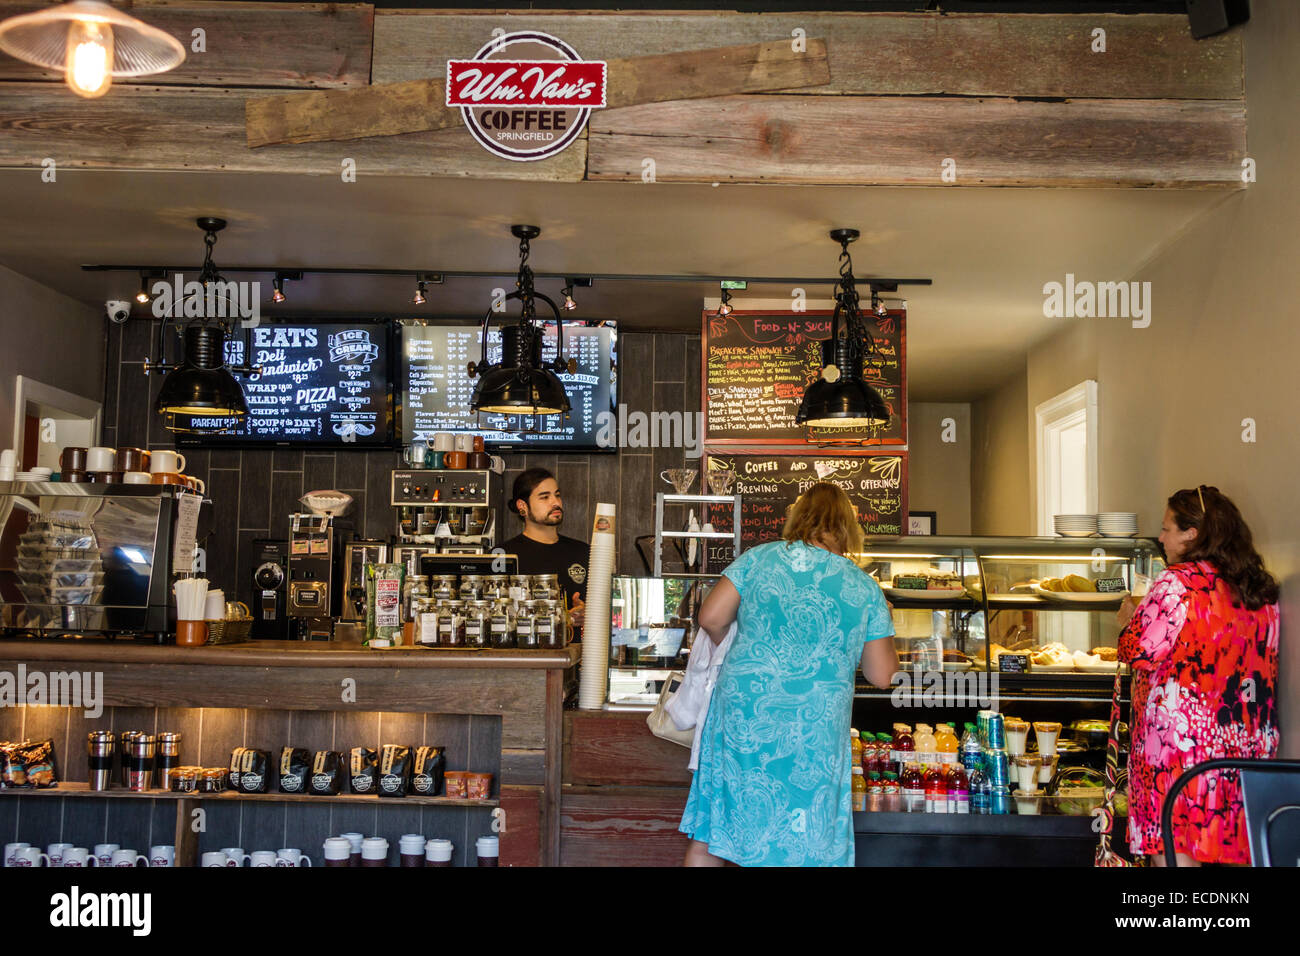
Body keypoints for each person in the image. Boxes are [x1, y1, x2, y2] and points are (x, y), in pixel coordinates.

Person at [678, 482, 898, 867]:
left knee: (714, 830)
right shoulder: (864, 587)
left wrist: (738, 645)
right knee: (804, 838)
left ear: (798, 519)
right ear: (848, 527)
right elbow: (881, 675)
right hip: (814, 728)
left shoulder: (757, 559)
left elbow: (710, 618)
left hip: (744, 712)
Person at [1116, 485, 1280, 866]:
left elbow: (1138, 650)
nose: (1161, 537)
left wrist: (1127, 621)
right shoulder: (1257, 586)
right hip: (1246, 740)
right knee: (1229, 842)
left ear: (1192, 534)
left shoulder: (1178, 583)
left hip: (1180, 743)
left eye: (1167, 528)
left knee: (1173, 845)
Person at [501, 468, 587, 631]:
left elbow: (606, 610)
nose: (556, 503)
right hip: (522, 655)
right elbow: (497, 617)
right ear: (522, 506)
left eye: (557, 495)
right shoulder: (503, 555)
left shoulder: (584, 552)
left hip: (578, 654)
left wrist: (587, 612)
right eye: (545, 497)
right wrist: (563, 619)